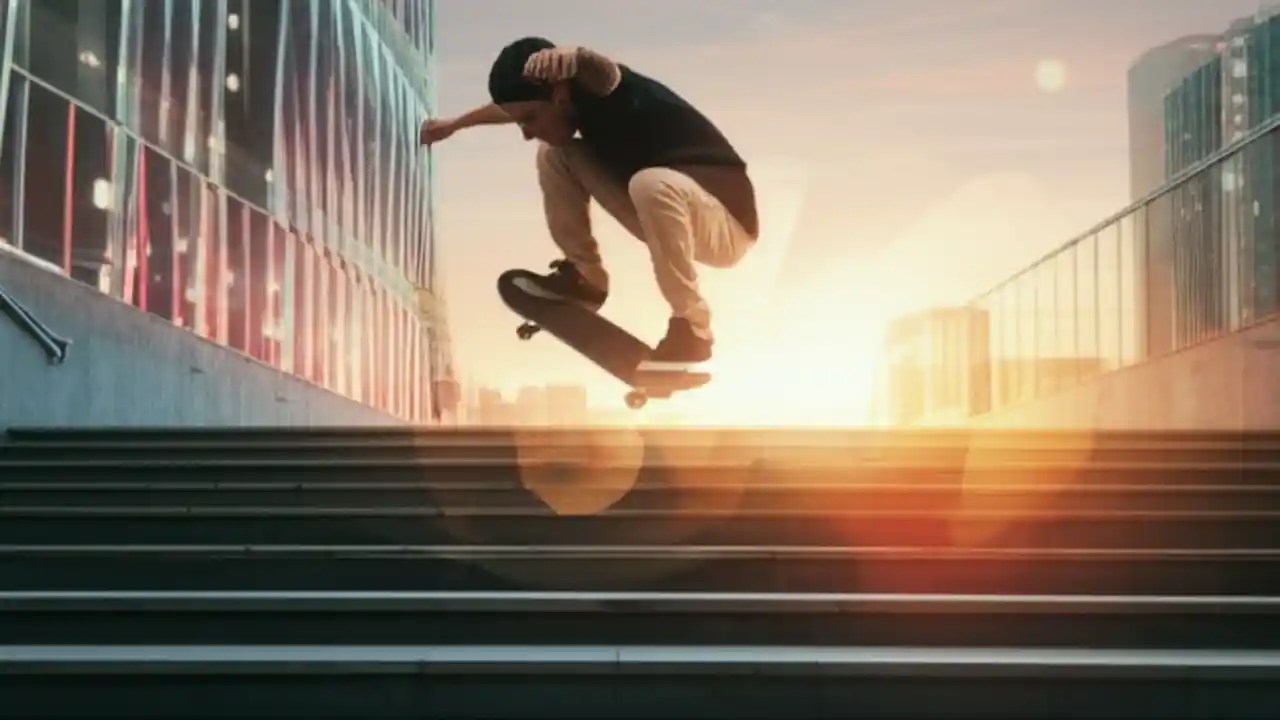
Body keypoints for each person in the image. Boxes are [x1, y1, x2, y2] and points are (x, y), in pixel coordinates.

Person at [420, 37, 758, 369]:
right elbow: (513, 107)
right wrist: (457, 124)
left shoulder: (613, 93)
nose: (526, 131)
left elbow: (608, 76)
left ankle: (694, 327)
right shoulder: (559, 102)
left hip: (726, 224)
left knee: (649, 183)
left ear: (561, 94)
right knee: (556, 155)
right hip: (669, 208)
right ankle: (586, 280)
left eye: (530, 119)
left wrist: (580, 58)